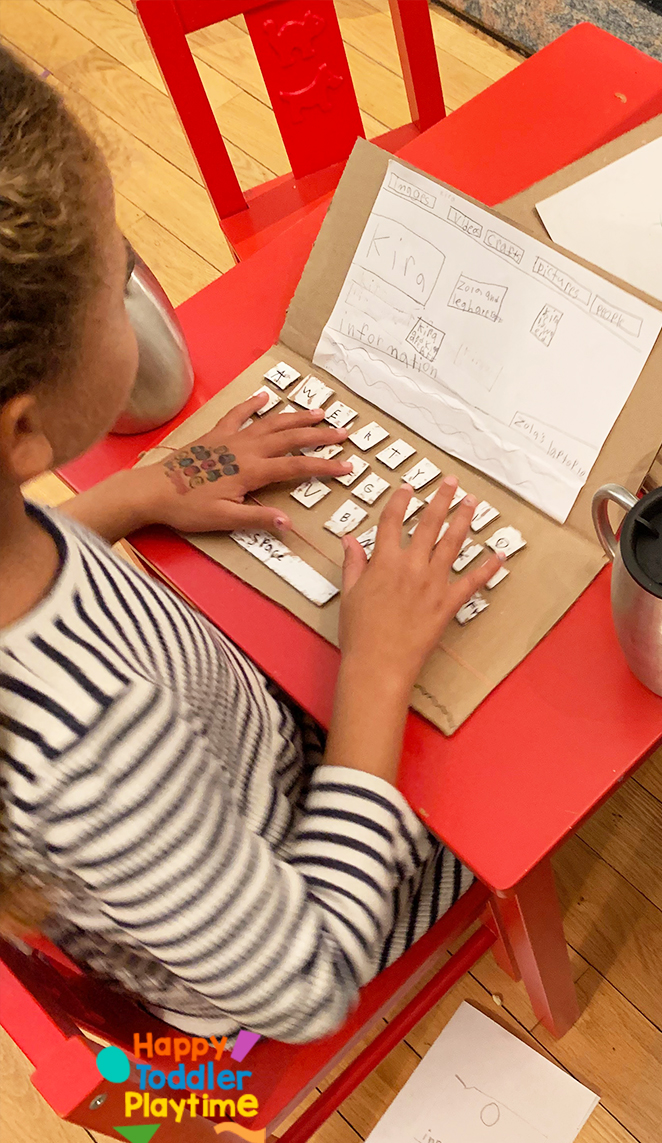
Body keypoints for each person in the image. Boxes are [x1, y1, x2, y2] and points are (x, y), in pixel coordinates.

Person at [0, 46, 504, 1040]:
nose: (139, 295)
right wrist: (375, 672)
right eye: (120, 287)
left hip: (220, 792)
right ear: (22, 434)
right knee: (512, 775)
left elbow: (42, 548)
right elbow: (307, 988)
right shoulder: (91, 747)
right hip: (294, 906)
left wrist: (156, 485)